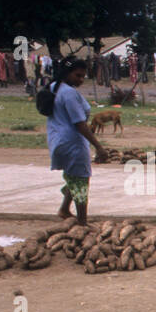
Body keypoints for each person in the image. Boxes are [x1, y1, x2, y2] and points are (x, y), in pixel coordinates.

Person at [46, 56, 107, 226]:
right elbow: (80, 124)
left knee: (73, 176)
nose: (80, 80)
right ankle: (82, 221)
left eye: (83, 76)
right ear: (67, 73)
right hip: (72, 142)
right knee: (81, 179)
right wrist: (98, 147)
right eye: (77, 76)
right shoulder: (69, 94)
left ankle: (64, 209)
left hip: (56, 139)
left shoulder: (53, 88)